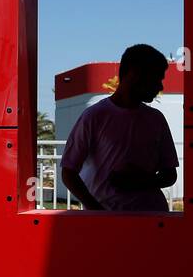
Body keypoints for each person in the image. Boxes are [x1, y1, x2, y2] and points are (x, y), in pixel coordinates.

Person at [60, 44, 179, 212]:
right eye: (156, 78)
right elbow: (68, 173)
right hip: (109, 226)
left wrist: (139, 181)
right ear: (135, 75)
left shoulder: (156, 119)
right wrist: (99, 213)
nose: (160, 86)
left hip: (153, 220)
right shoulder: (94, 116)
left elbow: (170, 175)